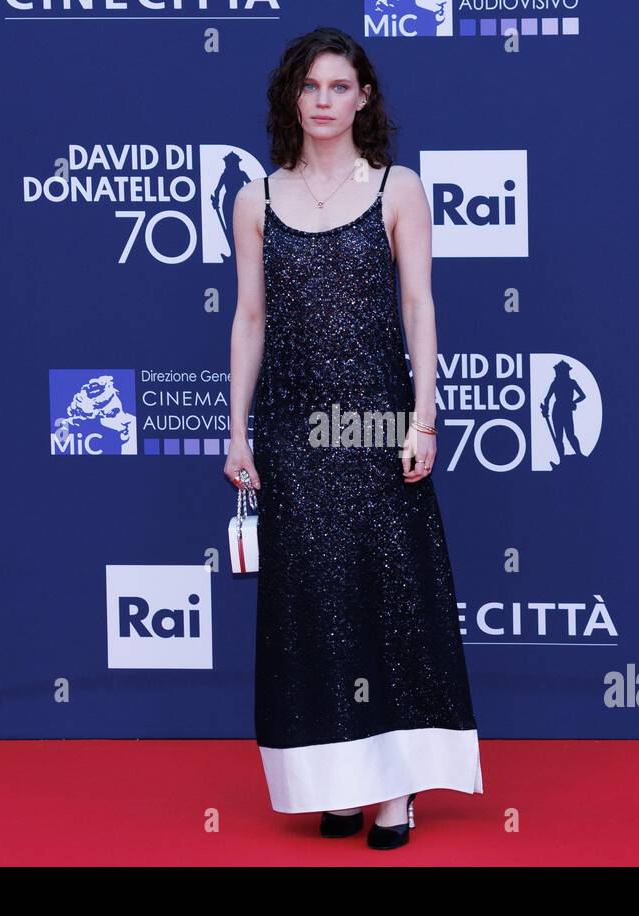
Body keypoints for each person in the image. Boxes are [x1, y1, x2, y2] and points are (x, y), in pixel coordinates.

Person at [224, 26, 483, 850]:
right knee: (313, 607)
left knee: (389, 602)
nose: (326, 100)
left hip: (374, 423)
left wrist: (424, 416)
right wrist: (236, 429)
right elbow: (251, 319)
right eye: (312, 87)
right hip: (295, 430)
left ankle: (397, 793)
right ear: (291, 98)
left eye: (341, 86)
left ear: (363, 97)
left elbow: (419, 308)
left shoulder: (398, 188)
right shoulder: (255, 200)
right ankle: (338, 784)